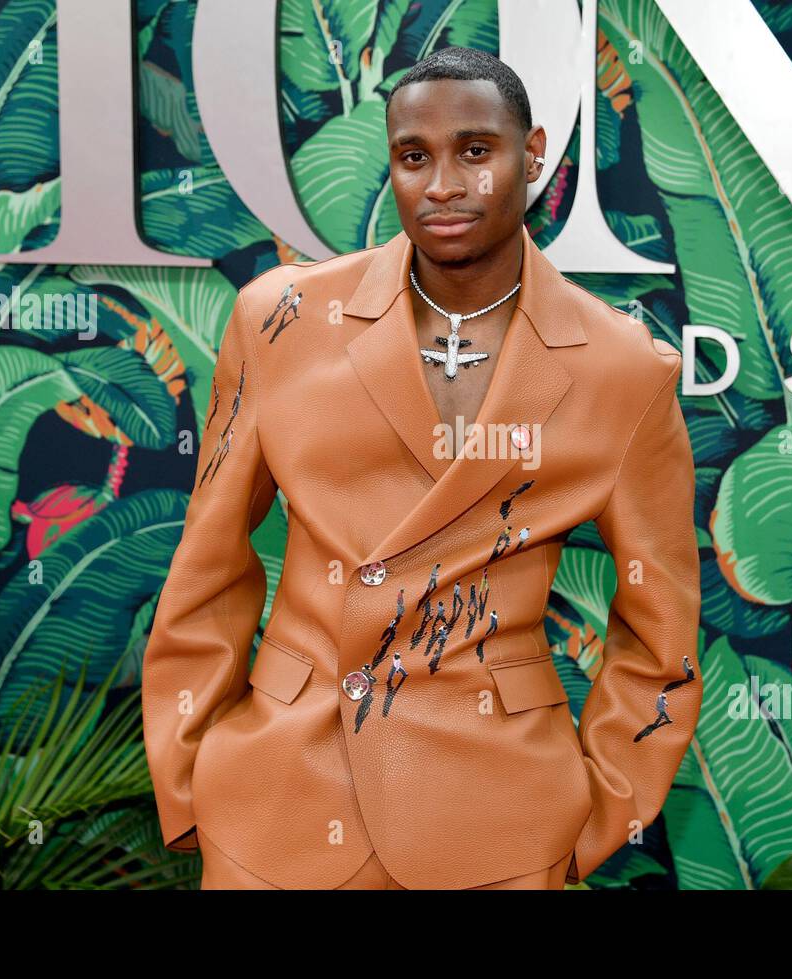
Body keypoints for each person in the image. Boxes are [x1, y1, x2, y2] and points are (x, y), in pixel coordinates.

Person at [141, 46, 702, 891]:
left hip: (500, 813)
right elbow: (209, 567)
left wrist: (592, 815)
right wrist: (193, 783)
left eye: (476, 151)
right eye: (415, 156)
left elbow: (660, 633)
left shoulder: (622, 370)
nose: (443, 184)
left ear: (535, 154)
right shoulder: (280, 323)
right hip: (281, 800)